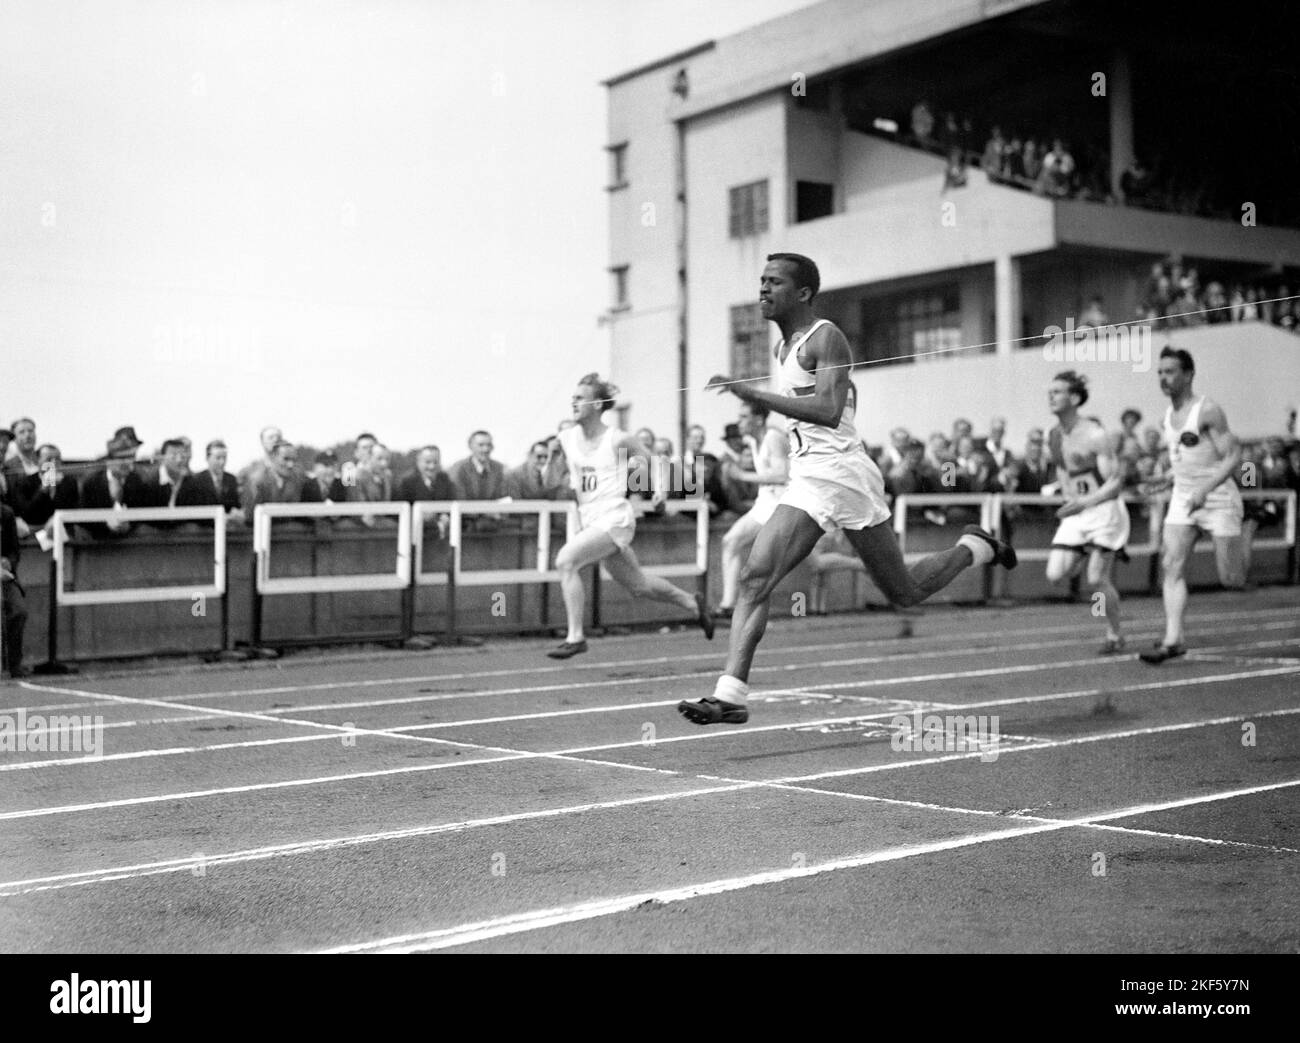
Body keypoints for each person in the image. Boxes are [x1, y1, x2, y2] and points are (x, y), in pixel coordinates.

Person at [677, 253, 1016, 725]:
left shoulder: (826, 336)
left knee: (904, 591)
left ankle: (973, 548)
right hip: (809, 479)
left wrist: (751, 394)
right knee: (756, 578)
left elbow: (829, 410)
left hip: (844, 476)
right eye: (761, 281)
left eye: (773, 282)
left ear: (803, 293)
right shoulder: (783, 349)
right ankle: (731, 694)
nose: (762, 290)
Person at [547, 373, 714, 659]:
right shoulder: (566, 438)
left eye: (579, 399)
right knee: (638, 585)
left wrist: (660, 491)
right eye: (572, 398)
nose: (572, 403)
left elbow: (657, 464)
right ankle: (693, 604)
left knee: (566, 561)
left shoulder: (618, 439)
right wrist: (552, 457)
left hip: (615, 518)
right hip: (590, 519)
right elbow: (549, 483)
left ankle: (576, 637)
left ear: (597, 404)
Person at [1139, 347, 1245, 664]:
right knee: (1171, 565)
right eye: (1159, 372)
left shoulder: (1208, 410)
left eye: (1170, 371)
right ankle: (1173, 639)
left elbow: (1233, 456)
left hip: (1218, 498)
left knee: (1232, 579)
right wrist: (1166, 478)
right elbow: (1188, 461)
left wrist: (1206, 488)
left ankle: (1249, 525)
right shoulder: (1167, 418)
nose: (1163, 378)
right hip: (1184, 499)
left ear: (1188, 375)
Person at [1043, 372, 1130, 654]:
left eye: (1058, 391)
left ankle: (1115, 633)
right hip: (1078, 512)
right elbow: (1062, 467)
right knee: (1055, 575)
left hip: (1104, 511)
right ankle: (1083, 551)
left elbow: (1115, 484)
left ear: (1075, 398)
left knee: (1095, 579)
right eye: (1050, 391)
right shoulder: (1053, 435)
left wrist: (1087, 501)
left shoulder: (1094, 434)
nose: (1051, 396)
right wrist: (1067, 494)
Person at [717, 401, 790, 617]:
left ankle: (860, 566)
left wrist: (741, 475)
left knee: (771, 565)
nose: (738, 421)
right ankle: (727, 605)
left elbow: (781, 476)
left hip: (784, 506)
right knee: (730, 541)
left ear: (758, 420)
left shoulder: (773, 438)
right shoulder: (751, 440)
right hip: (765, 504)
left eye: (743, 417)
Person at [178, 439, 244, 516]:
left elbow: (236, 506)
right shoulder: (195, 481)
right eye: (218, 458)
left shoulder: (232, 480)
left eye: (224, 458)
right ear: (207, 458)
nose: (222, 462)